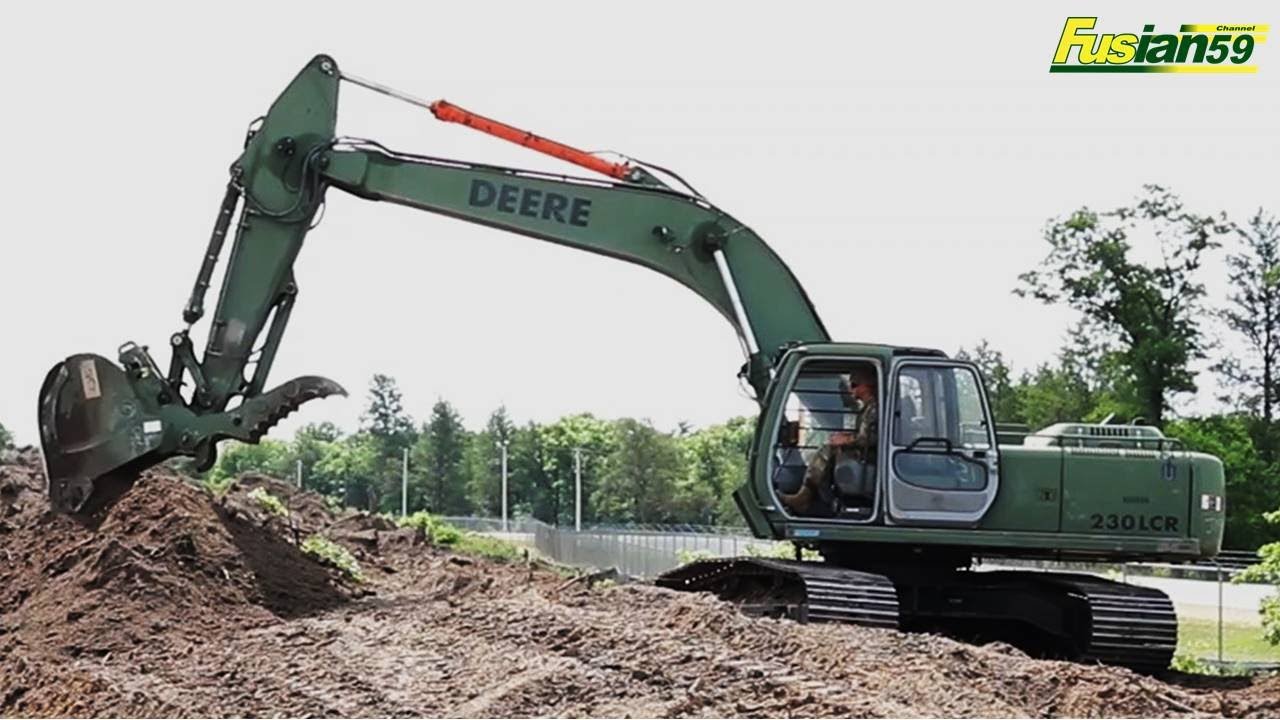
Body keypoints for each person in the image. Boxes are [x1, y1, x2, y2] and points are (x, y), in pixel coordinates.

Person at [780, 365, 878, 515]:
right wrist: (845, 437)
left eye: (854, 385)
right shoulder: (868, 408)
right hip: (866, 453)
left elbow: (871, 439)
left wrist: (846, 440)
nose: (851, 389)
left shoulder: (875, 409)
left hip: (870, 456)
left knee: (827, 450)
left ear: (867, 386)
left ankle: (805, 497)